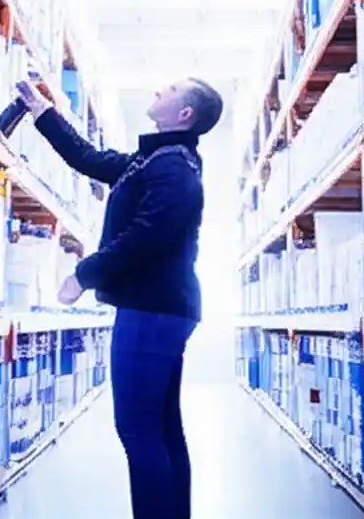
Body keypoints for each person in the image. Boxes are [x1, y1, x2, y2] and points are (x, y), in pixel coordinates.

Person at [15, 78, 224, 519]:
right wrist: (42, 113)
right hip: (159, 308)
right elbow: (89, 159)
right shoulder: (155, 160)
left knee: (136, 427)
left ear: (184, 113)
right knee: (161, 425)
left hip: (153, 310)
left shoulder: (175, 168)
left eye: (167, 90)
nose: (156, 91)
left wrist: (83, 273)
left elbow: (147, 235)